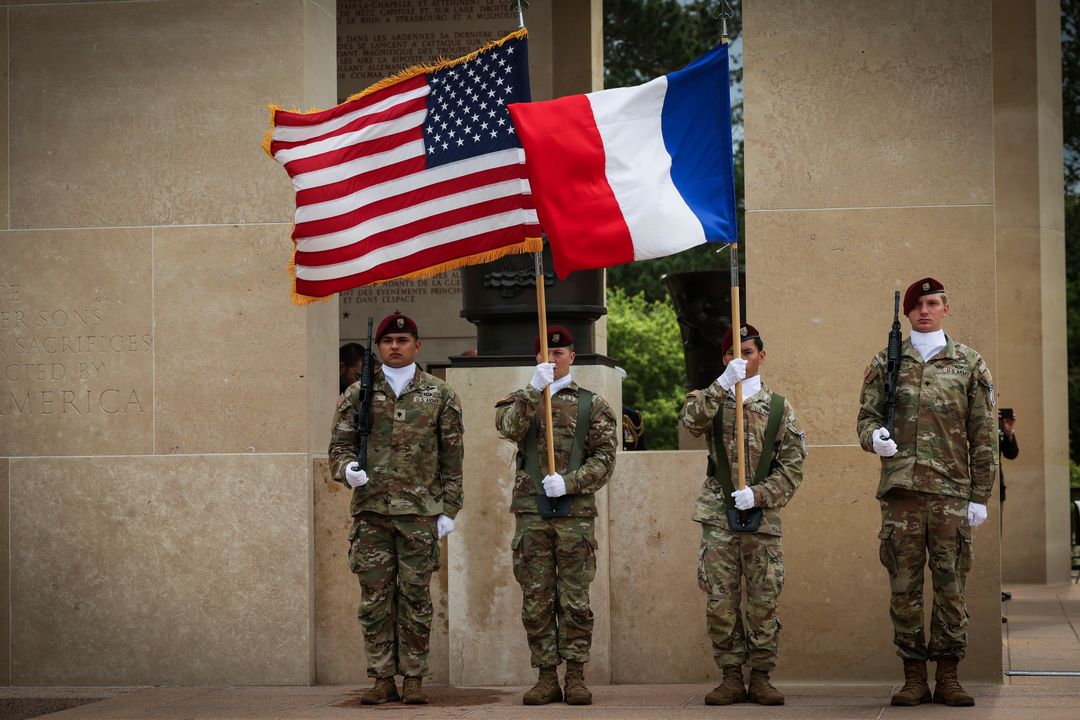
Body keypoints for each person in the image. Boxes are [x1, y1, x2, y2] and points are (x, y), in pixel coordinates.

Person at [857, 278, 998, 707]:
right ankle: (914, 676)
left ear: (945, 309)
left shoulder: (969, 364)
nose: (924, 310)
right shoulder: (886, 361)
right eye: (918, 304)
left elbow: (984, 433)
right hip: (901, 493)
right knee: (904, 588)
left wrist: (980, 495)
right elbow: (865, 419)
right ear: (907, 312)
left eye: (933, 303)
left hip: (952, 493)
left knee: (951, 586)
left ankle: (950, 674)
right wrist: (874, 438)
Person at [328, 312, 464, 705]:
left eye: (403, 341)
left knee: (416, 598)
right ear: (378, 348)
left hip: (420, 514)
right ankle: (382, 677)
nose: (395, 346)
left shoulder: (440, 395)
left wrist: (449, 509)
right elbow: (339, 446)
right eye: (388, 341)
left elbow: (452, 458)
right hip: (371, 513)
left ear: (417, 346)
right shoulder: (359, 394)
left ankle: (415, 678)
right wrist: (346, 470)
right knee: (374, 600)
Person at [680, 323, 805, 707]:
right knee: (720, 599)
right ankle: (731, 676)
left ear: (762, 356)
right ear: (724, 359)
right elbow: (691, 423)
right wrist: (721, 384)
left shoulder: (780, 408)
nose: (741, 358)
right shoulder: (708, 399)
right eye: (733, 353)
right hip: (718, 516)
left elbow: (794, 466)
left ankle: (762, 676)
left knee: (764, 600)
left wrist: (761, 494)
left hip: (762, 519)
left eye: (748, 352)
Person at [495, 325, 617, 706]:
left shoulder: (591, 404)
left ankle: (576, 676)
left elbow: (606, 458)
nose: (553, 357)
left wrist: (570, 483)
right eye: (546, 352)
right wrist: (533, 389)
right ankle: (546, 676)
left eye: (560, 352)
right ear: (536, 358)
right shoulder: (521, 399)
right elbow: (507, 428)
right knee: (537, 598)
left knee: (575, 600)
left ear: (573, 357)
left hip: (575, 514)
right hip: (532, 513)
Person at [998, 409, 1018, 603]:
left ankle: (997, 587)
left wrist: (1009, 432)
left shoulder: (1001, 427)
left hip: (997, 490)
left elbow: (1012, 454)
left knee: (997, 540)